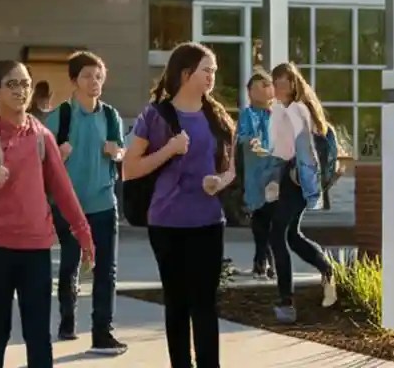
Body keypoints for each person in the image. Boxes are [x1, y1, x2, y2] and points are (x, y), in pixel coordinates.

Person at [0, 59, 95, 368]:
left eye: (26, 83)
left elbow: (63, 189)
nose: (21, 90)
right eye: (12, 84)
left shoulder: (41, 135)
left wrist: (83, 233)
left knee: (38, 335)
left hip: (35, 249)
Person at [122, 42, 237, 368]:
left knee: (205, 303)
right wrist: (170, 150)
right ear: (186, 73)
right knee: (177, 303)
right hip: (167, 223)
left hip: (209, 221)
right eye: (207, 70)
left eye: (214, 71)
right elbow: (130, 169)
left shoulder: (217, 116)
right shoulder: (154, 115)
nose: (212, 77)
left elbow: (231, 170)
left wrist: (220, 182)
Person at [47, 51, 127, 354]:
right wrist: (58, 153)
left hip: (104, 202)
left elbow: (121, 153)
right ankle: (68, 320)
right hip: (69, 205)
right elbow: (42, 160)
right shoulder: (61, 116)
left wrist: (116, 152)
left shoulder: (111, 116)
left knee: (106, 269)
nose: (94, 81)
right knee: (70, 265)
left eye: (98, 76)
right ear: (73, 81)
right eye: (87, 76)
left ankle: (102, 332)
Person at [265, 62, 338, 323]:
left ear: (294, 84)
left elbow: (301, 151)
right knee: (291, 236)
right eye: (276, 82)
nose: (278, 87)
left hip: (295, 181)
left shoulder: (296, 110)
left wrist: (305, 185)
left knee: (277, 235)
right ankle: (327, 267)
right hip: (294, 180)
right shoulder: (291, 109)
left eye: (283, 82)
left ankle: (286, 302)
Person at [236, 71, 276, 280]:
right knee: (260, 218)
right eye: (259, 86)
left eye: (267, 85)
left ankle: (263, 261)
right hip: (255, 174)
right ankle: (262, 261)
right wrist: (251, 142)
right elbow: (242, 137)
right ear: (250, 92)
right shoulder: (247, 114)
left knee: (271, 218)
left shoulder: (278, 114)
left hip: (275, 173)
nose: (265, 89)